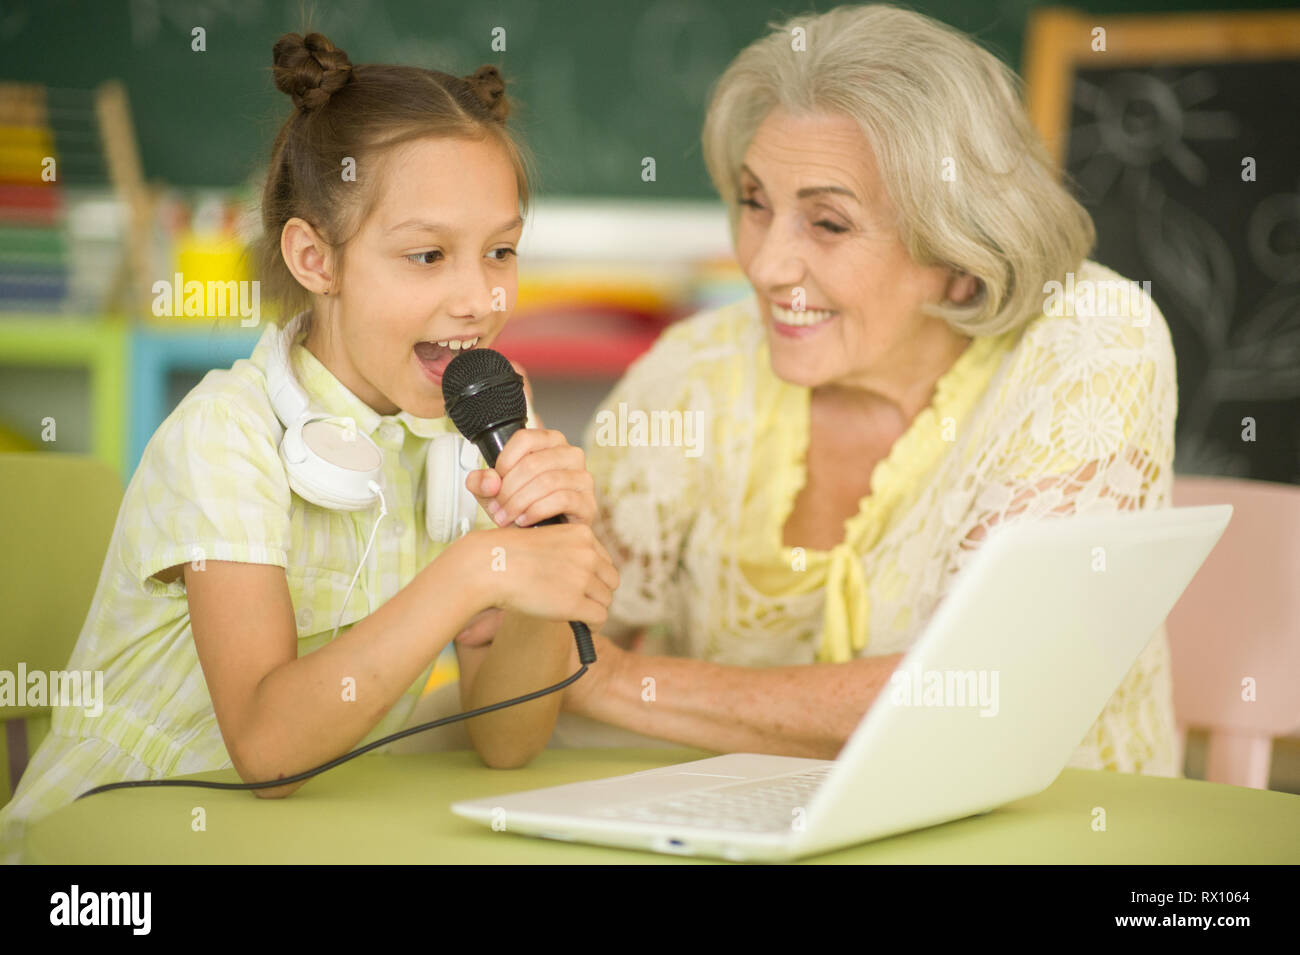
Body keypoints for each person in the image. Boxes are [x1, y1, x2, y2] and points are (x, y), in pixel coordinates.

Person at [0, 32, 618, 863]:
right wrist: (479, 570)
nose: (478, 297)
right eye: (427, 255)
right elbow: (267, 750)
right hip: (112, 841)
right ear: (314, 257)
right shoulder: (226, 434)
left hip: (305, 836)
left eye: (500, 251)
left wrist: (539, 562)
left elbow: (506, 740)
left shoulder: (480, 418)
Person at [557, 5, 1182, 777]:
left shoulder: (1090, 340)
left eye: (828, 223)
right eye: (755, 203)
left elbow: (988, 696)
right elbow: (543, 643)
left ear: (962, 251)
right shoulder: (695, 373)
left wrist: (619, 683)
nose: (764, 266)